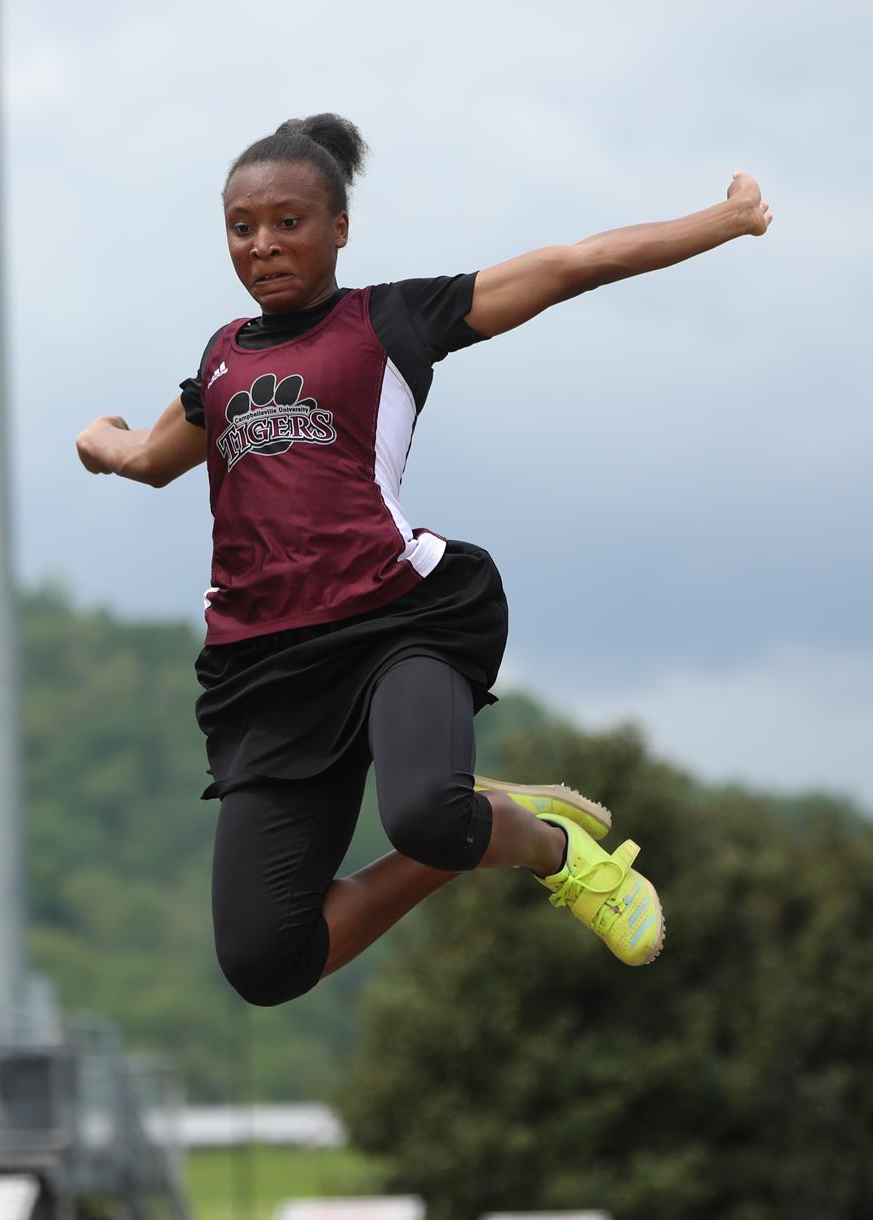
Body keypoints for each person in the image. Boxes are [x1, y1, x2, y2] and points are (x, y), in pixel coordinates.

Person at [75, 114, 772, 1007]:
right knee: (264, 961)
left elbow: (570, 264)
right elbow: (147, 459)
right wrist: (98, 438)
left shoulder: (391, 320)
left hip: (396, 620)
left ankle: (555, 851)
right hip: (269, 668)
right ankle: (478, 832)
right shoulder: (220, 360)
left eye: (289, 222)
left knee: (427, 814)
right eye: (241, 228)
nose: (263, 246)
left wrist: (724, 219)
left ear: (340, 228)